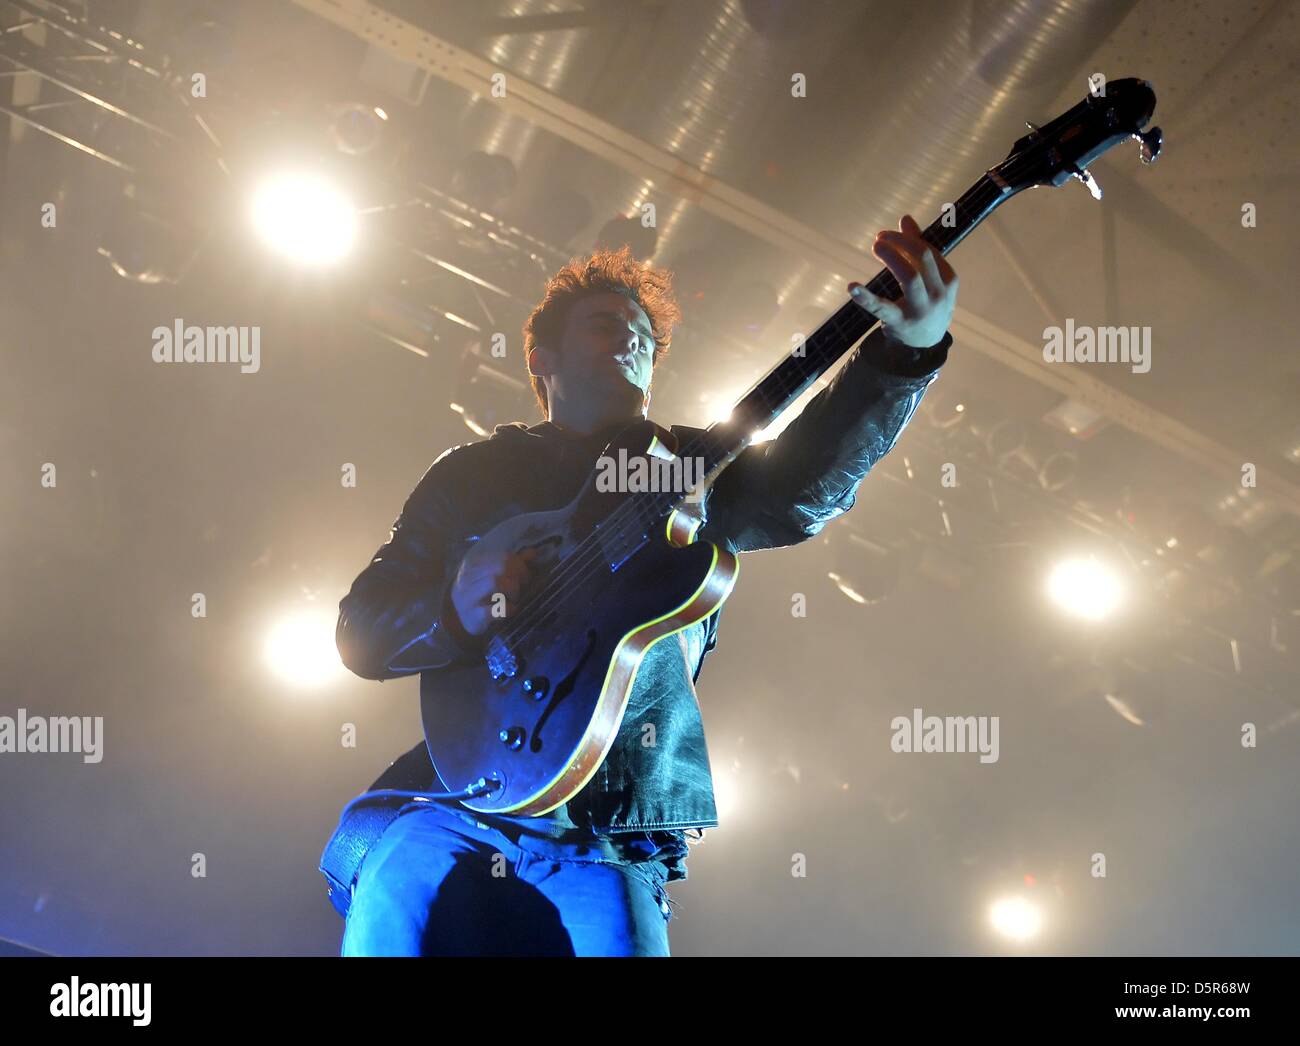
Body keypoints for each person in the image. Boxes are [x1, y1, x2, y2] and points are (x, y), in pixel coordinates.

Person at [330, 215, 958, 956]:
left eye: (641, 334)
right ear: (542, 358)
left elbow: (799, 491)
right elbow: (362, 630)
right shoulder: (472, 475)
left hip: (614, 822)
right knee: (393, 905)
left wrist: (904, 355)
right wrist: (453, 609)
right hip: (456, 793)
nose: (629, 338)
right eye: (603, 325)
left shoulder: (688, 470)